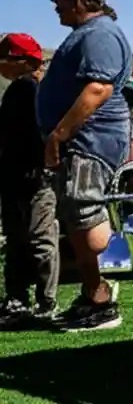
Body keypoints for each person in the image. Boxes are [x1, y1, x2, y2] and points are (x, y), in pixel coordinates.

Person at [37, 0, 133, 332]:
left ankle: (101, 300)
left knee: (84, 211)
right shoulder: (89, 34)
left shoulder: (99, 34)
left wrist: (59, 134)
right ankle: (93, 293)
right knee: (77, 213)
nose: (56, 8)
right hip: (82, 139)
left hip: (91, 138)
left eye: (59, 1)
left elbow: (98, 88)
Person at [0, 33, 60, 328]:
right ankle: (30, 301)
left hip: (30, 179)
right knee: (27, 242)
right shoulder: (28, 90)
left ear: (22, 61)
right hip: (23, 178)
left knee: (35, 241)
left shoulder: (27, 90)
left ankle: (36, 302)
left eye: (4, 58)